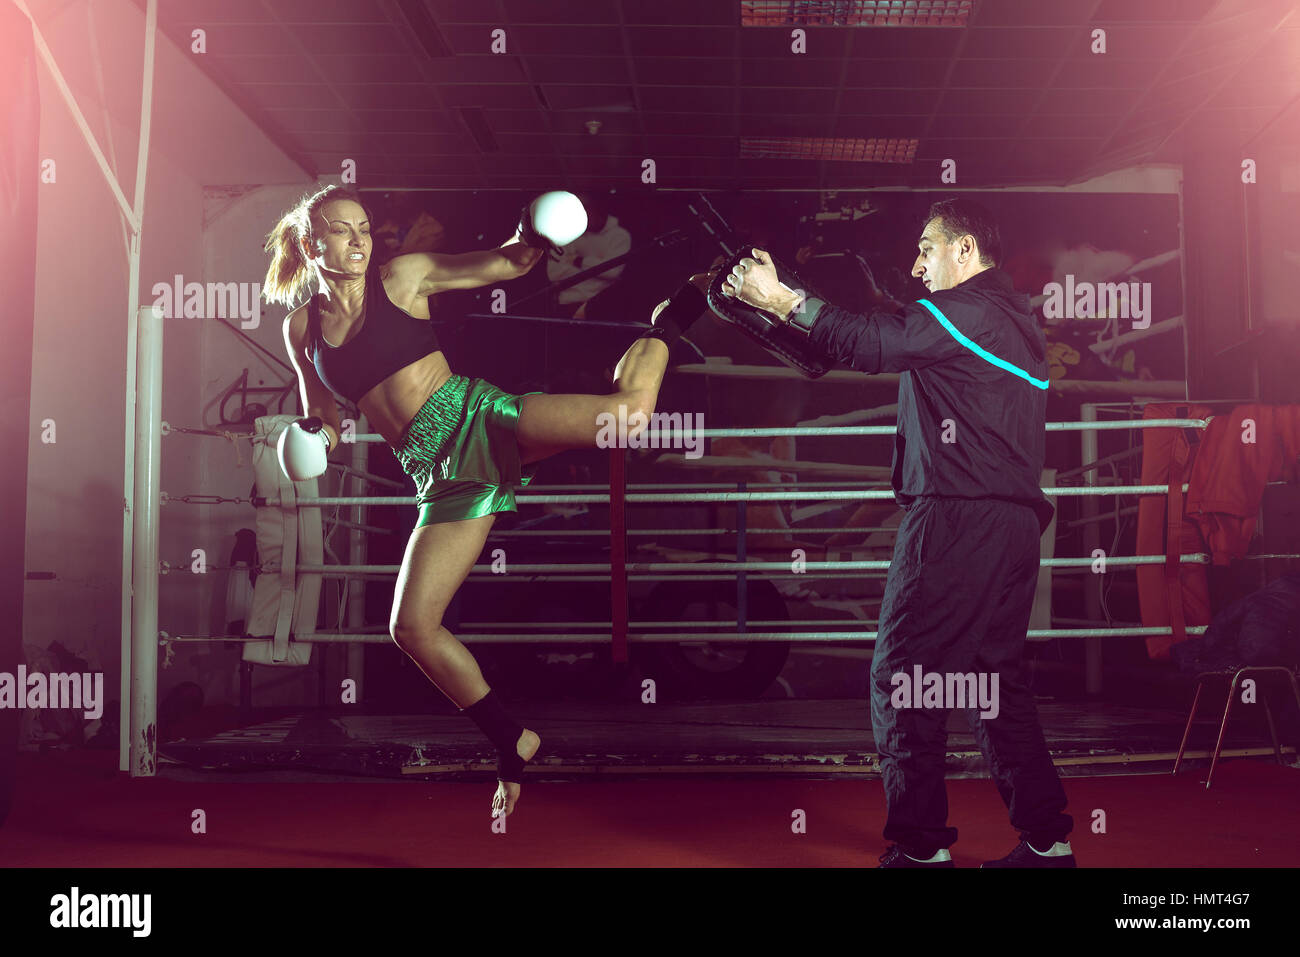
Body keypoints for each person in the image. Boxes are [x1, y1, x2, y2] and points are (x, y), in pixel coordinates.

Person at [264, 184, 708, 819]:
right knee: (410, 627)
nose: (361, 239)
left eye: (365, 227)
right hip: (437, 473)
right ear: (313, 243)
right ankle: (512, 741)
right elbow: (325, 413)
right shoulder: (301, 325)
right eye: (343, 230)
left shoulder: (404, 277)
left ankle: (674, 318)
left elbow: (508, 264)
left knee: (628, 419)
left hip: (476, 418)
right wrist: (313, 439)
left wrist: (533, 230)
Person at [717, 198, 1075, 868]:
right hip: (1010, 524)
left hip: (957, 517)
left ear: (964, 251)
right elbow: (876, 333)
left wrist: (779, 297)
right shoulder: (1011, 323)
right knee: (992, 683)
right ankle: (1048, 842)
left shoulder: (966, 311)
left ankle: (918, 849)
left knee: (904, 677)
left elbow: (875, 345)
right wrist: (787, 304)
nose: (917, 265)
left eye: (926, 248)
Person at [545, 192, 631, 319]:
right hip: (565, 306)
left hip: (599, 308)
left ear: (596, 209)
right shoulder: (566, 233)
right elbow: (553, 273)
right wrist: (597, 273)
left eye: (584, 210)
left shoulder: (620, 236)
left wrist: (577, 260)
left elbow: (612, 272)